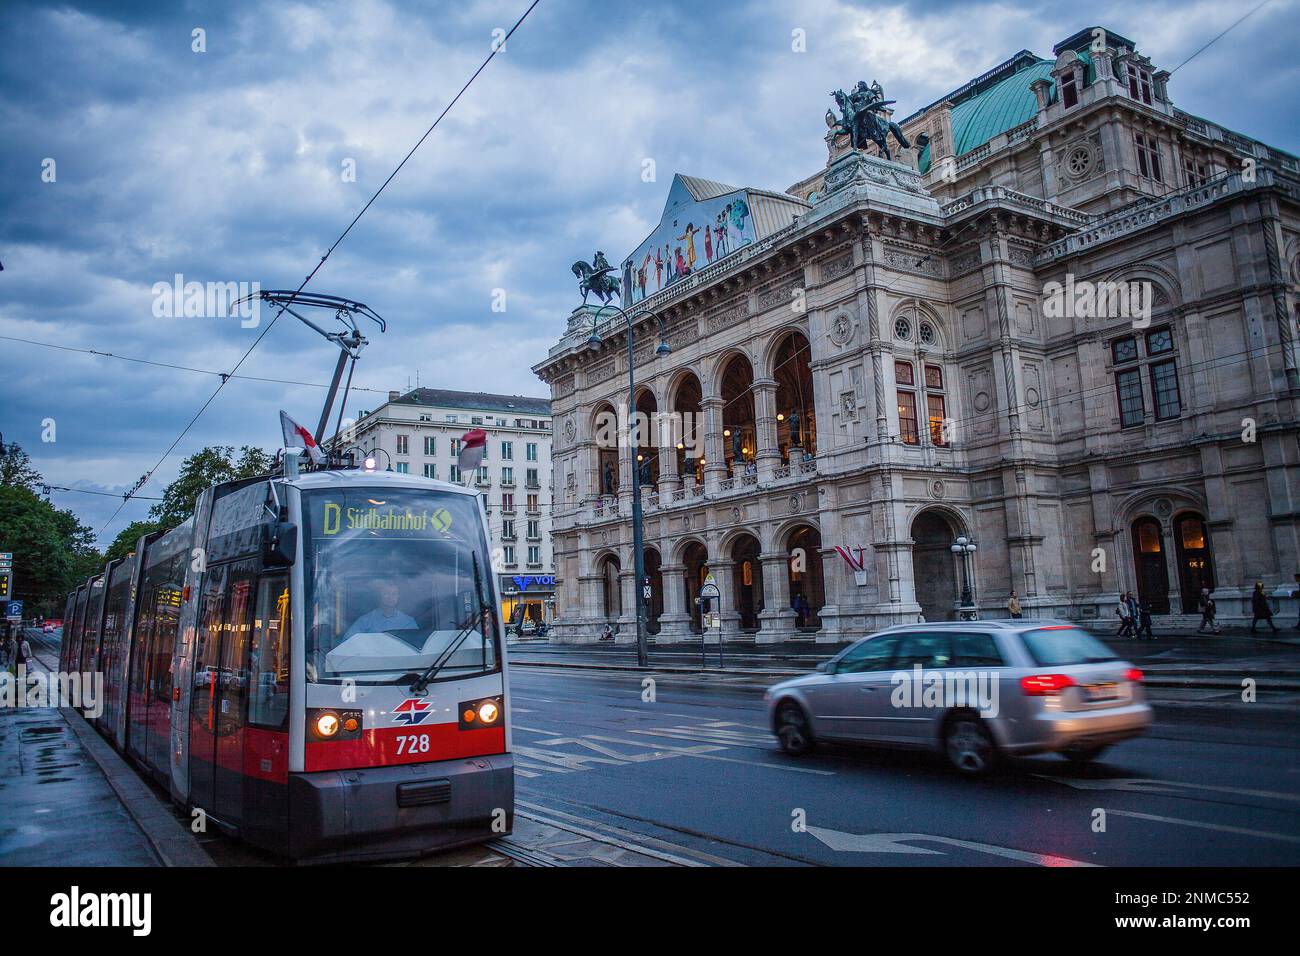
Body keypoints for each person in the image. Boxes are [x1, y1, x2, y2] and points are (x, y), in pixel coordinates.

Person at [344, 582, 418, 639]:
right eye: (386, 593)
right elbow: (347, 642)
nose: (390, 597)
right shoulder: (365, 621)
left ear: (398, 597)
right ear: (379, 596)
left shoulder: (408, 622)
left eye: (394, 594)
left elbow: (416, 645)